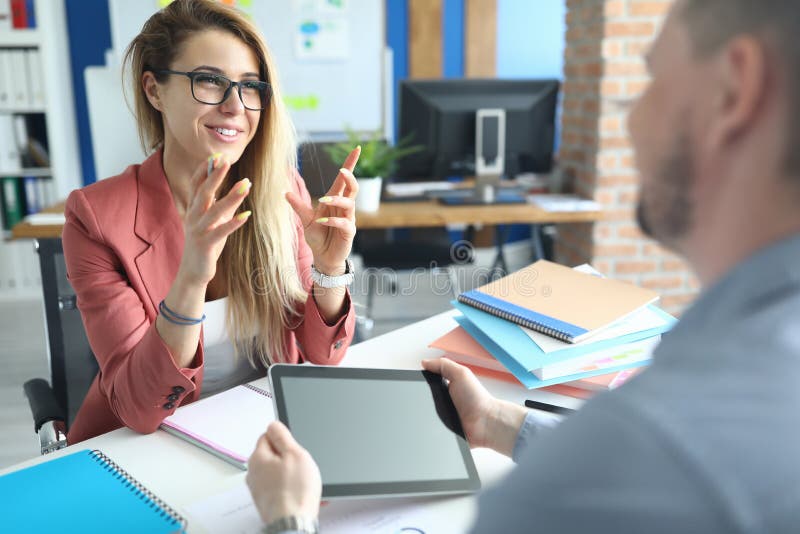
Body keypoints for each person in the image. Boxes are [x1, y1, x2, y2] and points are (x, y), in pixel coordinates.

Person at [245, 0, 800, 532]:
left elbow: (635, 461)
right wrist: (496, 422)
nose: (630, 121)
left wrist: (289, 519)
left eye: (651, 80)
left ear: (734, 90)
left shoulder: (645, 447)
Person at [62, 0, 360, 444]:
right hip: (151, 446)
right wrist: (191, 278)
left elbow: (323, 355)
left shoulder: (280, 188)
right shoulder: (96, 218)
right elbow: (140, 409)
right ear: (154, 90)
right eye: (209, 81)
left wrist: (330, 269)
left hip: (265, 431)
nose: (235, 106)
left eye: (250, 86)